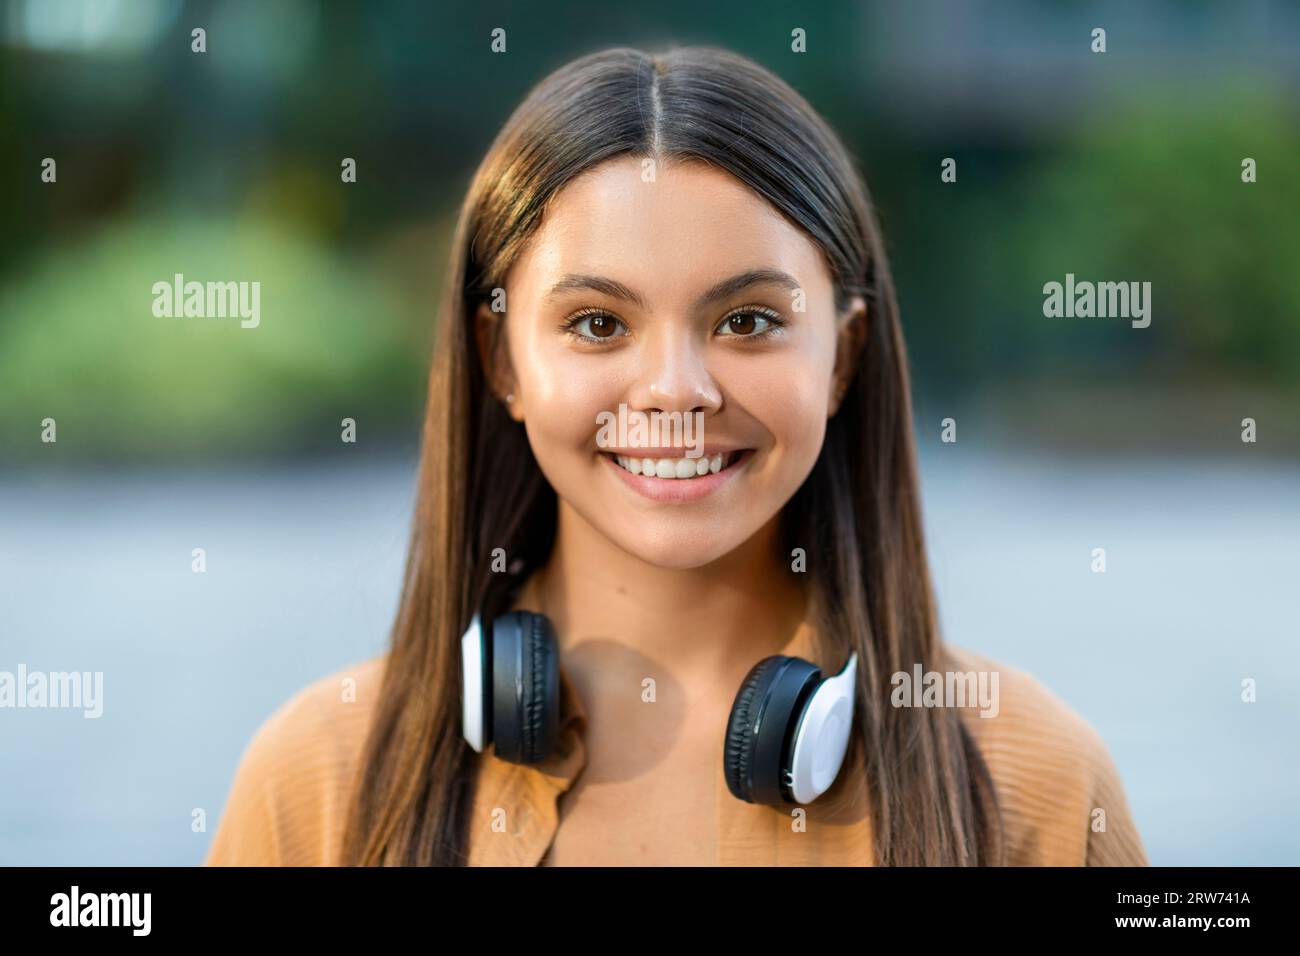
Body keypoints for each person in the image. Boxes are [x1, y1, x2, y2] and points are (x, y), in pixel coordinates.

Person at [205, 46, 1147, 867]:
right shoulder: (316, 779)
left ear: (843, 357)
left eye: (747, 321)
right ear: (503, 361)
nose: (675, 390)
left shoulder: (1038, 784)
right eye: (597, 323)